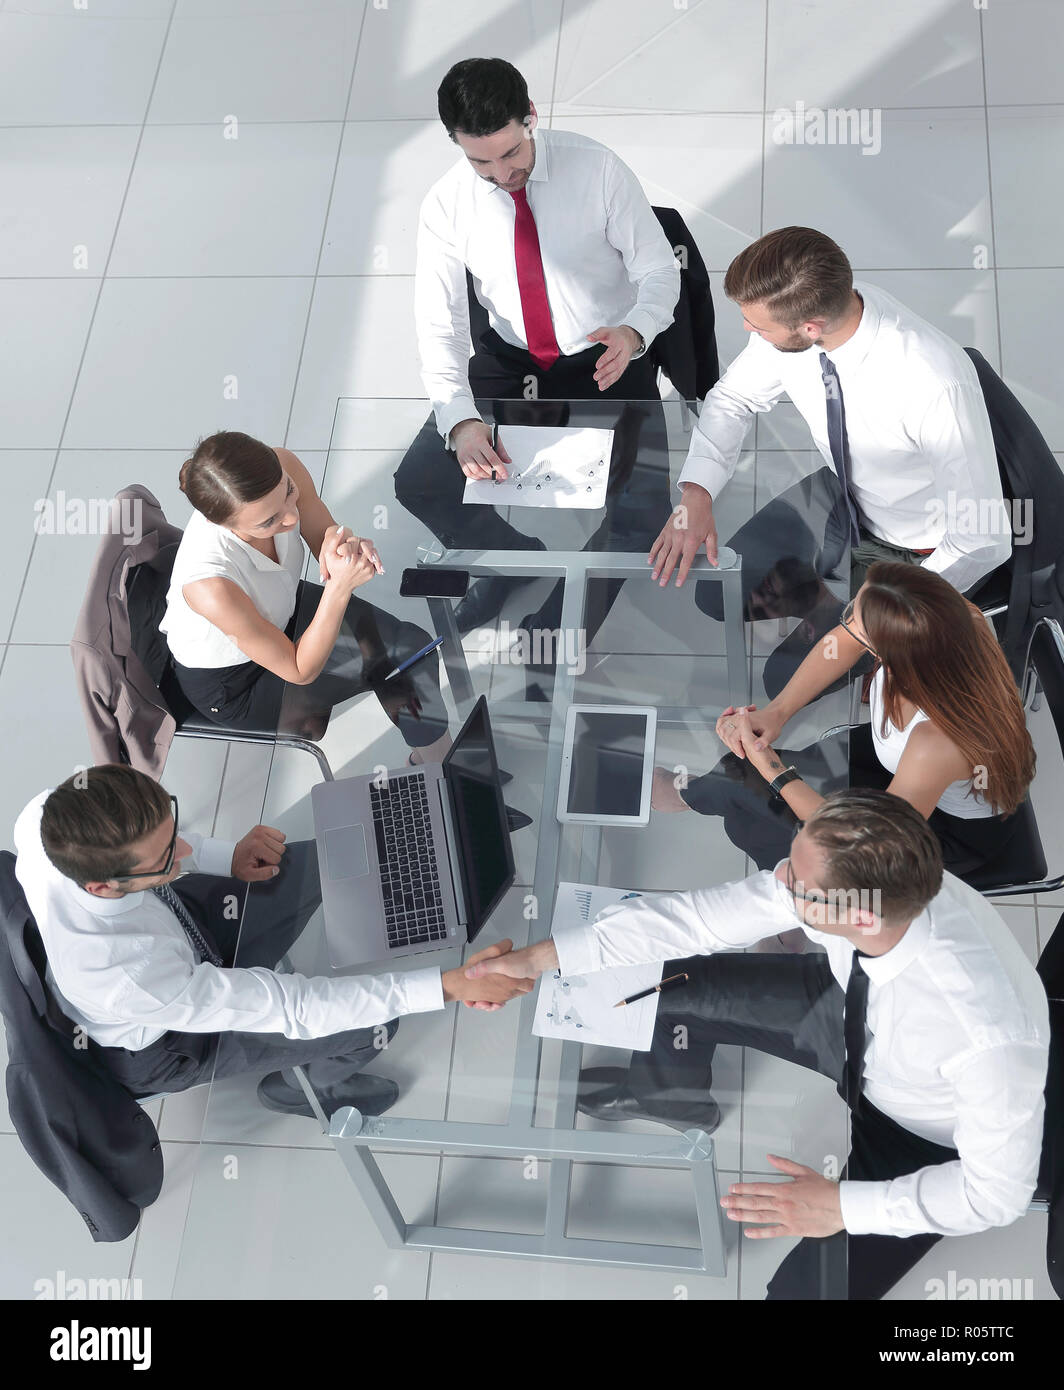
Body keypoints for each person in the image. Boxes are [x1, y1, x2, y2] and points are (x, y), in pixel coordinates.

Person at [464, 790, 1050, 1300]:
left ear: (860, 918)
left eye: (797, 886)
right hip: (847, 1010)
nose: (778, 883)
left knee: (795, 1297)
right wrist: (537, 960)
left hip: (919, 1133)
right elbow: (694, 920)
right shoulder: (869, 885)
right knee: (668, 984)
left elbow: (997, 1194)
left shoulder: (987, 1035)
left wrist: (845, 1207)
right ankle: (672, 1095)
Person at [13, 765, 531, 1120]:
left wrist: (226, 858)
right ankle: (306, 1090)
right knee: (371, 1023)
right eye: (168, 857)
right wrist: (447, 985)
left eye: (175, 831)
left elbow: (179, 853)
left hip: (175, 926)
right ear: (102, 886)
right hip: (171, 1038)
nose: (187, 848)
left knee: (309, 865)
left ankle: (448, 841)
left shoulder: (49, 815)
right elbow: (292, 1005)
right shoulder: (127, 975)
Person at [647, 226, 1011, 699]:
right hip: (841, 494)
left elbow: (982, 539)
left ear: (810, 327)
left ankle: (846, 611)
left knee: (780, 681)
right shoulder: (811, 318)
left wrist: (889, 615)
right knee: (715, 593)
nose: (748, 333)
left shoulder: (932, 383)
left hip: (909, 547)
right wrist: (696, 493)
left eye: (759, 328)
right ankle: (821, 596)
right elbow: (733, 398)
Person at [395, 56, 680, 633]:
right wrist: (459, 421)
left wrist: (636, 329)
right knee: (420, 481)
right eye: (481, 161)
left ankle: (560, 625)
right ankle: (511, 565)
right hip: (512, 360)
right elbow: (440, 325)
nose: (501, 175)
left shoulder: (597, 170)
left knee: (643, 510)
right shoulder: (446, 205)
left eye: (511, 153)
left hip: (607, 353)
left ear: (530, 117)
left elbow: (659, 271)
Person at [654, 562, 1037, 885]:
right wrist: (777, 712)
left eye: (859, 624)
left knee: (759, 800)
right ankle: (700, 799)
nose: (846, 620)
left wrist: (773, 768)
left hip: (931, 832)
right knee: (744, 784)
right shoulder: (940, 624)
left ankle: (782, 900)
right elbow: (842, 644)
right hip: (895, 761)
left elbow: (864, 839)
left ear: (893, 650)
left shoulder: (935, 743)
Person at [160, 431, 451, 762]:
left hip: (279, 612)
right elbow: (299, 669)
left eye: (289, 493)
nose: (291, 516)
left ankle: (435, 761)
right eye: (270, 520)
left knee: (409, 651)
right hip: (238, 683)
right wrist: (339, 587)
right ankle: (441, 770)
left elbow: (321, 533)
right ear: (222, 524)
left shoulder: (282, 463)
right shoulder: (209, 586)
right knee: (399, 659)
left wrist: (342, 547)